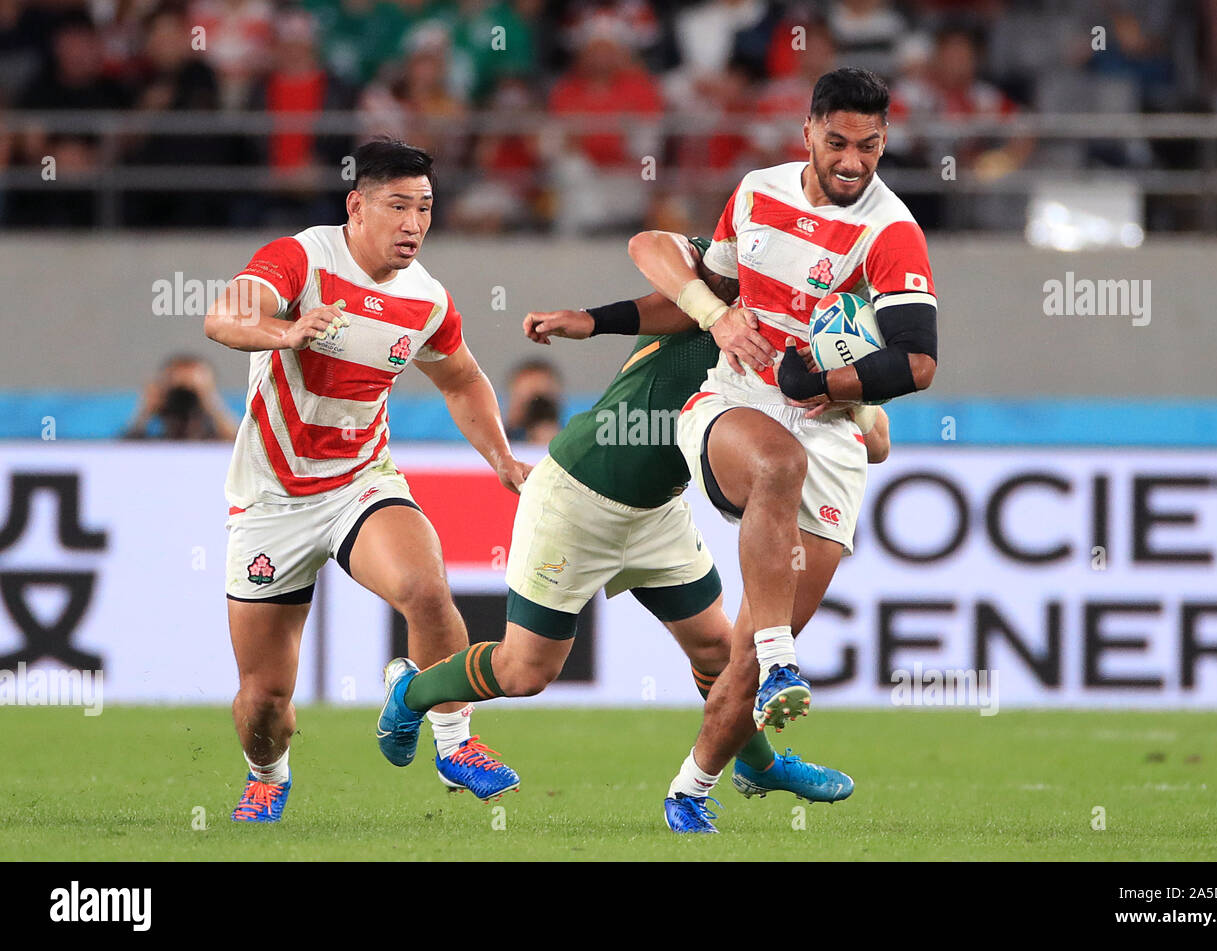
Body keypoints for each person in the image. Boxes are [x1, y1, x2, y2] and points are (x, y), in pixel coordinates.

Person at [378, 236, 889, 831]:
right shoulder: (730, 283)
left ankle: (758, 765)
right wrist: (601, 320)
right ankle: (409, 694)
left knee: (718, 650)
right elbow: (648, 246)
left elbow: (876, 444)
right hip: (579, 494)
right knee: (525, 672)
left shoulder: (813, 338)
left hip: (659, 512)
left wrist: (855, 395)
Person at [629, 67, 938, 831]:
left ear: (884, 142)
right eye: (837, 142)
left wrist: (836, 384)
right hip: (736, 405)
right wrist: (703, 315)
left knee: (743, 653)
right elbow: (694, 287)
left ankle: (691, 788)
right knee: (775, 463)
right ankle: (781, 662)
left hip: (830, 437)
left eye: (869, 147)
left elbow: (918, 360)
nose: (852, 162)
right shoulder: (757, 191)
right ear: (808, 130)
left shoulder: (890, 230)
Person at [203, 138, 530, 822]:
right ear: (357, 205)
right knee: (266, 700)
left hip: (360, 481)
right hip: (272, 498)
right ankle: (267, 773)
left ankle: (453, 739)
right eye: (398, 205)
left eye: (426, 208)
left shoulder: (427, 300)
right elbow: (221, 317)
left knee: (426, 588)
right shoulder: (301, 257)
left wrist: (500, 457)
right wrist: (283, 332)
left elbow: (462, 376)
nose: (414, 222)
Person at [123, 354, 238, 441]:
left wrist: (211, 403)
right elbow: (118, 451)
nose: (184, 399)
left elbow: (243, 446)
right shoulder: (150, 443)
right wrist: (146, 411)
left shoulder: (217, 441)